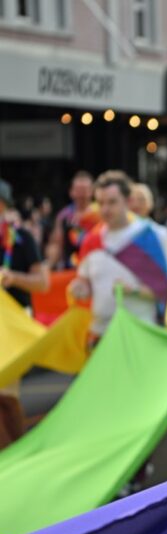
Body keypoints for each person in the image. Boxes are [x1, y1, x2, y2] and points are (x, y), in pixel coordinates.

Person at [69, 171, 167, 349]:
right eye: (100, 203)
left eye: (112, 202)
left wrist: (134, 290)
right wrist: (80, 287)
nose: (105, 209)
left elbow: (164, 289)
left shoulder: (149, 236)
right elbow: (85, 282)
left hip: (140, 334)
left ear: (128, 201)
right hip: (101, 336)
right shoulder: (92, 240)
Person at [0, 178, 50, 448]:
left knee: (5, 396)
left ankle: (19, 452)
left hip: (12, 328)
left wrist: (13, 278)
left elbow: (42, 283)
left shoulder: (21, 239)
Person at [47, 171, 100, 269]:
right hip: (71, 268)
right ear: (71, 192)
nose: (81, 194)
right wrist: (49, 265)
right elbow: (56, 244)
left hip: (96, 267)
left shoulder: (101, 213)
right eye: (78, 189)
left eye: (85, 190)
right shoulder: (64, 216)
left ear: (92, 191)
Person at [128, 183, 167, 280]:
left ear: (150, 203)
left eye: (141, 199)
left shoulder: (161, 232)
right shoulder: (119, 235)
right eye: (132, 200)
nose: (136, 204)